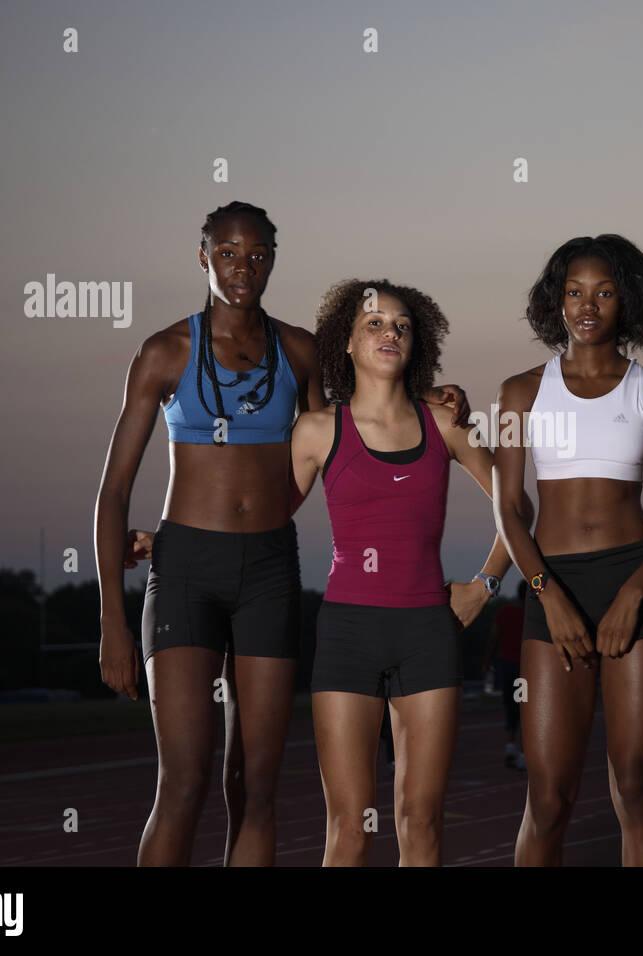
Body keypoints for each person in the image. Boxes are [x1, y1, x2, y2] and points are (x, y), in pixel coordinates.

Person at [95, 202, 467, 866]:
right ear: (204, 256)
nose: (245, 267)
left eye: (259, 254)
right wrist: (113, 622)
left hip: (268, 567)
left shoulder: (297, 350)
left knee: (257, 788)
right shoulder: (164, 352)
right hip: (185, 568)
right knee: (184, 783)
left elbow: (347, 443)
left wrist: (430, 399)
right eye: (230, 252)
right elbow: (113, 491)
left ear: (273, 259)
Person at [289, 278, 531, 866]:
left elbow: (516, 505)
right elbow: (261, 522)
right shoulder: (318, 430)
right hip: (347, 634)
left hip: (428, 631)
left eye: (401, 325)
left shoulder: (444, 424)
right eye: (374, 323)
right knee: (350, 829)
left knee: (420, 823)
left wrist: (486, 585)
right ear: (345, 342)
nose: (389, 332)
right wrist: (166, 539)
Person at [493, 235, 643, 866]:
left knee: (637, 788)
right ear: (556, 302)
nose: (588, 305)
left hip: (632, 582)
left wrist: (635, 594)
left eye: (604, 292)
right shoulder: (518, 392)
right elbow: (507, 509)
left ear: (628, 300)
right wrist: (545, 594)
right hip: (548, 584)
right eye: (575, 292)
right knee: (550, 796)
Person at [482, 579, 528, 769]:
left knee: (510, 706)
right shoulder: (533, 616)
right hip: (524, 669)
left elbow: (493, 638)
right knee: (525, 708)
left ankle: (510, 744)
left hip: (506, 666)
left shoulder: (505, 612)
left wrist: (486, 663)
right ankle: (524, 752)